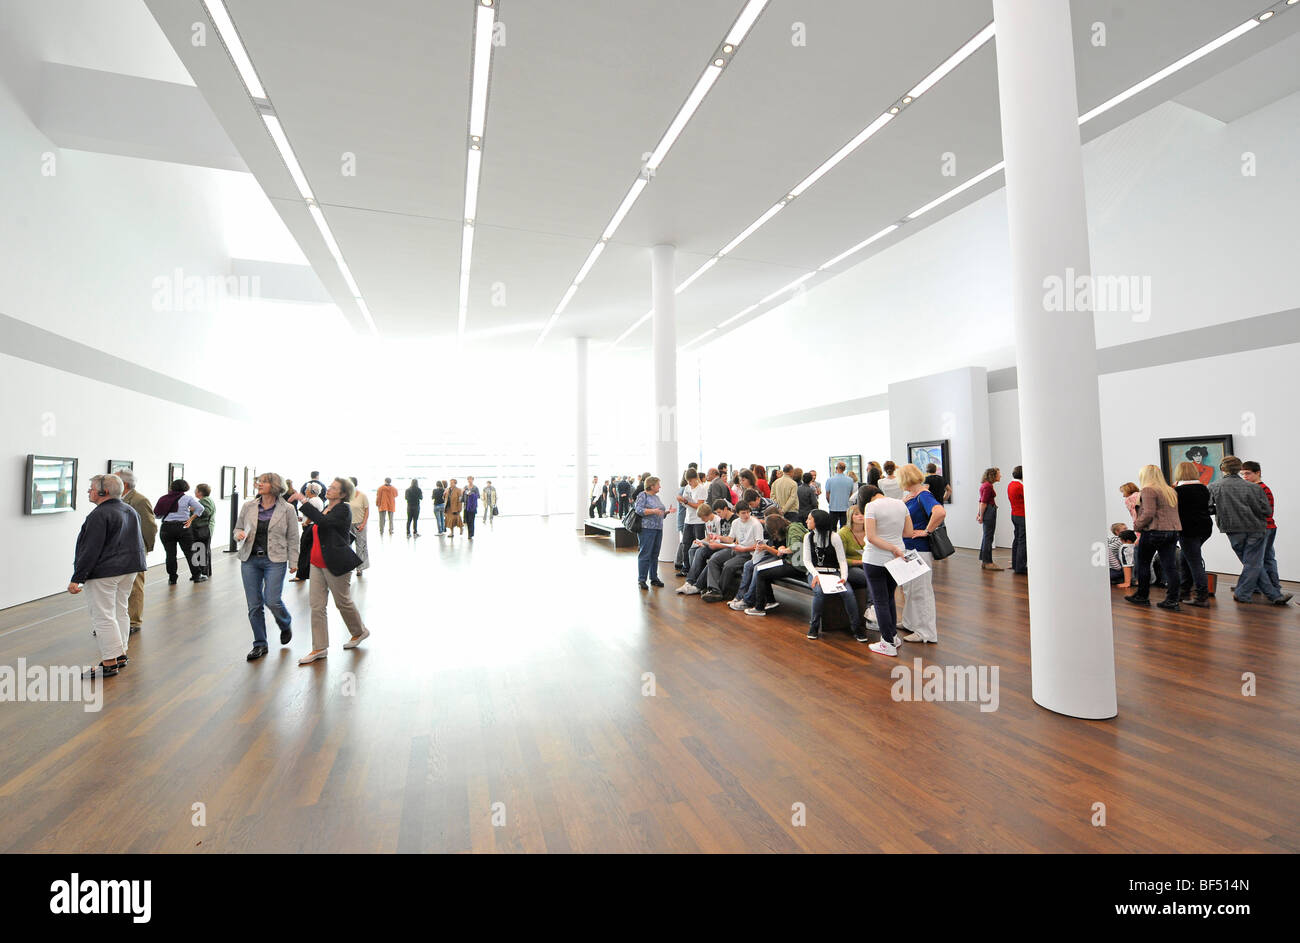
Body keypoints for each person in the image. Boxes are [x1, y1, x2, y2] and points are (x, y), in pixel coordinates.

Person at [68, 474, 146, 678]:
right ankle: (120, 654)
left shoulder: (99, 515)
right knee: (120, 610)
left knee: (103, 616)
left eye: (92, 488)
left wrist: (78, 577)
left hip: (105, 572)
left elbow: (90, 549)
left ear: (104, 492)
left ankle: (110, 662)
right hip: (128, 570)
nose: (89, 491)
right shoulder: (129, 510)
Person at [287, 477, 370, 664]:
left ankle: (359, 631)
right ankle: (319, 648)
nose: (329, 489)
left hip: (335, 563)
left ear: (342, 494)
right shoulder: (326, 506)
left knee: (342, 602)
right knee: (316, 606)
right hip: (317, 562)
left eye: (333, 488)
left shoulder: (343, 509)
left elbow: (323, 523)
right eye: (330, 487)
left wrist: (303, 500)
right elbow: (319, 524)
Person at [233, 472, 300, 660]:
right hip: (250, 560)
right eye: (259, 481)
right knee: (254, 605)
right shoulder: (248, 506)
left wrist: (294, 562)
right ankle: (260, 644)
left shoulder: (287, 509)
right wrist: (237, 534)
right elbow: (237, 527)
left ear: (275, 485)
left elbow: (294, 537)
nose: (259, 484)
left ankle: (285, 623)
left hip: (275, 560)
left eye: (264, 482)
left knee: (272, 600)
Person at [1210, 456, 1287, 605]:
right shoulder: (1255, 487)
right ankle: (1271, 595)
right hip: (1256, 528)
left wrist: (1222, 509)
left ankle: (1249, 594)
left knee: (1251, 563)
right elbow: (1267, 510)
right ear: (1239, 469)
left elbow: (1208, 508)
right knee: (1253, 563)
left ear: (1222, 469)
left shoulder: (1214, 486)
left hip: (1232, 528)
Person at [861, 484, 914, 657]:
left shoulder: (871, 506)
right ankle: (892, 636)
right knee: (889, 597)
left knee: (880, 601)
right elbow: (908, 532)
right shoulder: (901, 504)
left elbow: (871, 537)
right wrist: (895, 547)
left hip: (875, 559)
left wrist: (891, 547)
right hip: (897, 559)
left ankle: (887, 643)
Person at [1125, 464, 1183, 610]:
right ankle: (1172, 600)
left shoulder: (1148, 490)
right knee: (1170, 566)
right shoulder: (1170, 490)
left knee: (1143, 563)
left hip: (1154, 531)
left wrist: (1137, 526)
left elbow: (1148, 512)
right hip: (1172, 531)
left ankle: (1142, 596)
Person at [899, 463, 944, 642]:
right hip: (910, 548)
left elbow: (939, 512)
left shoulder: (924, 495)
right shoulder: (913, 496)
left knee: (921, 591)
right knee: (910, 588)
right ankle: (910, 622)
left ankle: (926, 632)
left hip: (920, 549)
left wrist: (927, 530)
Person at [802, 509, 863, 641]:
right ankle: (814, 627)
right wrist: (815, 574)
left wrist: (843, 578)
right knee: (819, 592)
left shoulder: (834, 537)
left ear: (817, 522)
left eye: (809, 519)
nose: (807, 521)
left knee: (848, 592)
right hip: (816, 573)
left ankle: (857, 628)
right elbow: (806, 561)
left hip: (834, 573)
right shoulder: (808, 537)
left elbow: (842, 560)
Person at [113, 467, 156, 636]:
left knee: (135, 586)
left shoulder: (139, 500)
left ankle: (134, 620)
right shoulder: (114, 500)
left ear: (123, 484)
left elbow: (149, 526)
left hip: (134, 550)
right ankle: (117, 621)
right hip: (116, 550)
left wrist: (145, 548)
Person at [1242, 461, 1288, 604]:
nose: (1245, 476)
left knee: (1259, 560)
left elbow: (1266, 512)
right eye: (1242, 473)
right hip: (1267, 527)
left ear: (1258, 473)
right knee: (1266, 558)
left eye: (1248, 473)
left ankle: (1270, 588)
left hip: (1264, 528)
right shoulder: (1256, 488)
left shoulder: (1260, 489)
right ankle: (1268, 587)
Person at [703, 502, 763, 603]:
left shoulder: (755, 524)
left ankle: (719, 591)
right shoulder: (735, 522)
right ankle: (714, 589)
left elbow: (759, 546)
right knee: (713, 559)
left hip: (748, 553)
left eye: (748, 512)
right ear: (738, 513)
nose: (747, 515)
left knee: (728, 565)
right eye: (743, 513)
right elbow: (730, 539)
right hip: (736, 549)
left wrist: (744, 549)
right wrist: (719, 537)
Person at [750, 513, 809, 615]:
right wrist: (783, 549)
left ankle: (759, 608)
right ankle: (770, 601)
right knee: (762, 570)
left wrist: (783, 550)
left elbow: (796, 546)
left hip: (797, 566)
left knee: (761, 573)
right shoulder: (792, 528)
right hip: (793, 563)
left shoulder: (793, 529)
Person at [1172, 461, 1212, 607]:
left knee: (1194, 562)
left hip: (1188, 529)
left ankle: (1202, 596)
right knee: (1185, 558)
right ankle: (1184, 591)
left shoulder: (1178, 491)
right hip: (1205, 528)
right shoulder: (1203, 488)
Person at [154, 478, 207, 584]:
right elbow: (200, 508)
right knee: (190, 552)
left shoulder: (163, 498)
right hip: (183, 527)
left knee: (170, 554)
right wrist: (190, 519)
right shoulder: (187, 498)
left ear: (172, 487)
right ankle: (196, 575)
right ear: (185, 488)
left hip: (166, 528)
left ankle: (172, 578)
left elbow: (157, 515)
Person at [633, 476, 674, 589]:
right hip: (646, 529)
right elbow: (638, 510)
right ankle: (642, 580)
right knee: (645, 554)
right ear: (651, 485)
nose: (660, 486)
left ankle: (654, 578)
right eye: (658, 484)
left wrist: (666, 512)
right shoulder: (643, 495)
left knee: (655, 554)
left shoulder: (656, 497)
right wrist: (654, 511)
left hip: (658, 528)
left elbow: (659, 513)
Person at [837, 504, 874, 622]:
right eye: (857, 514)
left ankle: (880, 610)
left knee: (882, 576)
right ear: (850, 517)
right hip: (848, 567)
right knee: (870, 578)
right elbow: (840, 559)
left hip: (868, 564)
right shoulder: (843, 533)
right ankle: (871, 610)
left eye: (862, 514)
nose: (860, 516)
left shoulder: (870, 530)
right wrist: (860, 561)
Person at [674, 469, 708, 576]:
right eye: (687, 480)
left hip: (699, 521)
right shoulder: (687, 488)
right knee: (686, 544)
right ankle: (686, 567)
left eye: (691, 480)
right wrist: (683, 501)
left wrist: (686, 501)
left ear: (695, 479)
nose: (689, 483)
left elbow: (700, 506)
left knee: (699, 545)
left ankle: (697, 569)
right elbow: (686, 504)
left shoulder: (701, 489)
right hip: (688, 519)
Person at [291, 481, 325, 580]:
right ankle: (303, 574)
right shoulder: (317, 500)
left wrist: (306, 522)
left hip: (309, 527)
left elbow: (313, 514)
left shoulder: (313, 500)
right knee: (307, 550)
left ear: (312, 491)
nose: (305, 491)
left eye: (306, 489)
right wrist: (303, 519)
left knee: (305, 550)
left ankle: (300, 575)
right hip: (310, 526)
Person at [977, 467, 1003, 571]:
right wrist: (981, 516)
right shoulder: (988, 486)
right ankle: (988, 562)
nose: (1000, 475)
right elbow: (983, 502)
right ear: (993, 475)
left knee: (986, 536)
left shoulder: (985, 485)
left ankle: (985, 561)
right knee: (988, 537)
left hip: (987, 511)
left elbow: (981, 501)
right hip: (989, 512)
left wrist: (979, 513)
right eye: (998, 474)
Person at [191, 483, 216, 577]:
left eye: (196, 489)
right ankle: (203, 571)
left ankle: (202, 572)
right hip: (204, 528)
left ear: (200, 492)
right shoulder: (205, 500)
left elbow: (206, 512)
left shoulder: (205, 500)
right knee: (202, 549)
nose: (194, 491)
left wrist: (193, 509)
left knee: (200, 549)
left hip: (203, 528)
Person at [348, 477, 370, 570]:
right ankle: (348, 566)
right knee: (347, 546)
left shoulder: (362, 496)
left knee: (361, 546)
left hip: (359, 524)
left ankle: (360, 568)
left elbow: (367, 510)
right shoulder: (345, 496)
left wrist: (363, 524)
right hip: (347, 524)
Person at [1008, 465, 1026, 575]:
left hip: (1014, 514)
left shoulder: (1011, 485)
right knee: (1022, 542)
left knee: (1017, 540)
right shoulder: (1020, 486)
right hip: (1022, 515)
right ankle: (1020, 567)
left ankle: (1015, 564)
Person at [825, 461, 854, 530]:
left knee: (832, 528)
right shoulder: (850, 480)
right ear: (844, 469)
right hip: (845, 507)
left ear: (836, 468)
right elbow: (850, 494)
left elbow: (827, 494)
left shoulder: (830, 480)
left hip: (833, 507)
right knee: (844, 529)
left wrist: (830, 502)